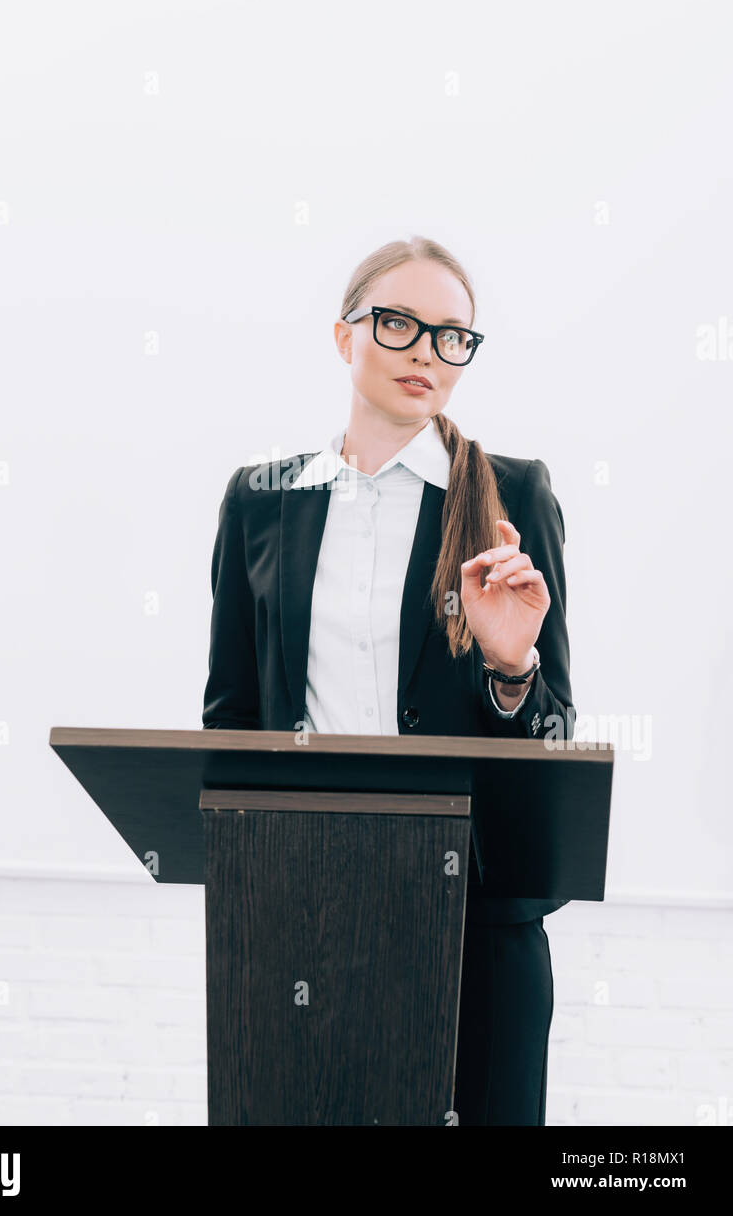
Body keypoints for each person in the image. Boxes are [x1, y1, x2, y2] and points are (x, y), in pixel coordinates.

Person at [202, 234, 575, 1125]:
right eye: (400, 323)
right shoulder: (262, 498)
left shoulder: (509, 496)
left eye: (453, 336)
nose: (427, 353)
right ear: (345, 337)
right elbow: (231, 717)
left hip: (474, 929)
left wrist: (510, 664)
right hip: (300, 919)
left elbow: (556, 735)